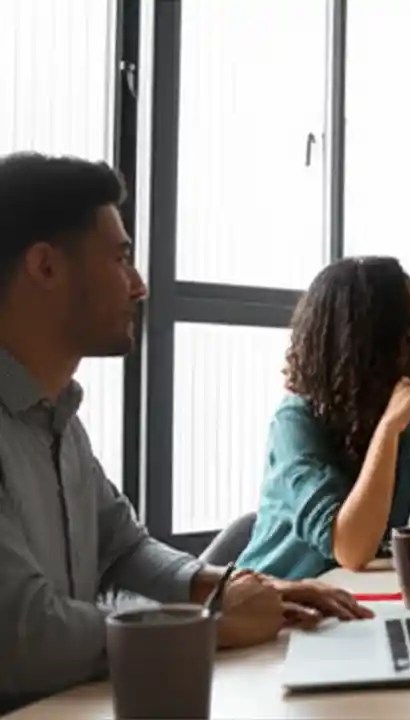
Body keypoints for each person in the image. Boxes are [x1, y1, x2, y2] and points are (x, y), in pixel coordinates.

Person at [0, 152, 369, 712]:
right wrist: (209, 624)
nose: (140, 285)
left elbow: (122, 549)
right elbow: (24, 635)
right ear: (45, 267)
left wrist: (225, 587)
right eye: (121, 258)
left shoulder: (58, 418)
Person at [237, 256, 410, 580]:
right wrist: (388, 430)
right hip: (275, 608)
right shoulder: (295, 422)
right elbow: (351, 548)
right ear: (384, 331)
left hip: (360, 599)